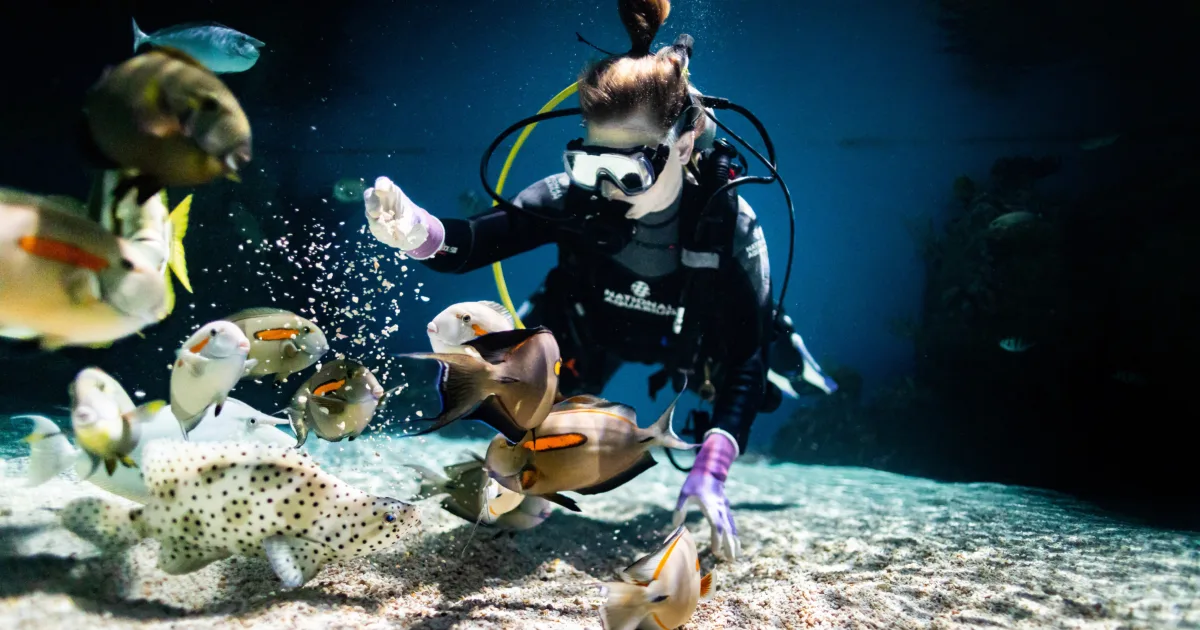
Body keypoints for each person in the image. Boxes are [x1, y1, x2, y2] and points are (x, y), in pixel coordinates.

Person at [363, 0, 835, 562]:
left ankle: (795, 361)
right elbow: (477, 241)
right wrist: (415, 230)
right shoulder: (575, 198)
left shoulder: (727, 224)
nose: (608, 186)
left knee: (761, 349)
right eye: (592, 164)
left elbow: (742, 361)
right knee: (528, 413)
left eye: (631, 169)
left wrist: (711, 469)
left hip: (694, 343)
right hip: (588, 334)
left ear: (683, 146)